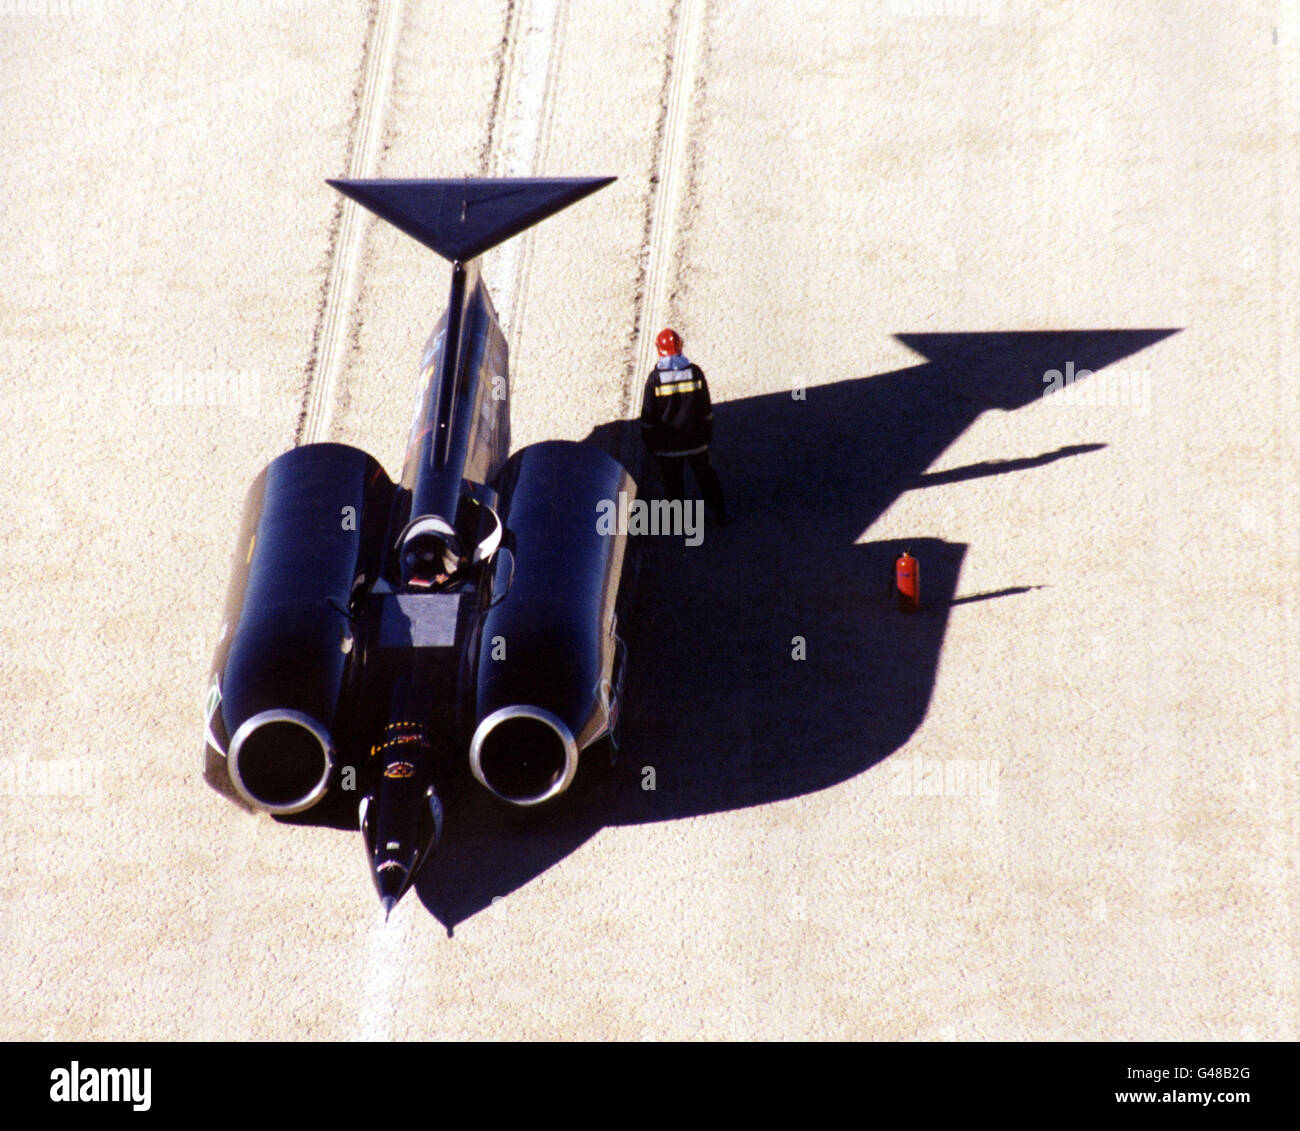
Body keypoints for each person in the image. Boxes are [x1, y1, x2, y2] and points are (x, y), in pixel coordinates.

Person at [640, 327, 728, 524]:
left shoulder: (655, 380)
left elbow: (648, 417)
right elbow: (706, 409)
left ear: (658, 350)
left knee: (673, 484)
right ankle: (719, 515)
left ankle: (678, 522)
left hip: (667, 446)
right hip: (695, 441)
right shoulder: (695, 373)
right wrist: (707, 435)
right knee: (706, 478)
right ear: (680, 347)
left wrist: (650, 443)